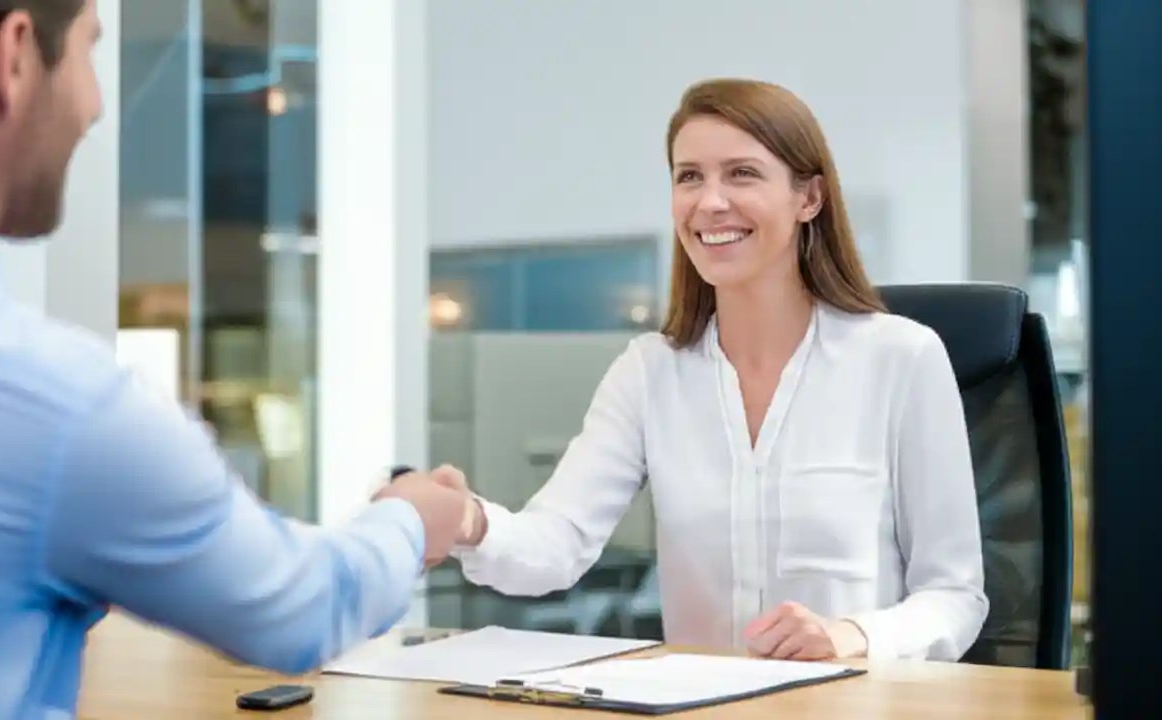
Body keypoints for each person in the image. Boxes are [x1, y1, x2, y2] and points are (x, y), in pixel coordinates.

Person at [0, 2, 467, 718]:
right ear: (13, 56)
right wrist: (410, 517)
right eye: (87, 52)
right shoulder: (53, 406)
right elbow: (300, 606)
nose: (96, 105)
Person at [406, 79, 989, 662]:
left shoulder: (901, 358)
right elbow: (555, 544)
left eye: (741, 173)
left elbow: (954, 595)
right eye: (689, 176)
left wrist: (851, 636)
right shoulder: (650, 371)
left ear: (808, 198)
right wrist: (467, 520)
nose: (709, 202)